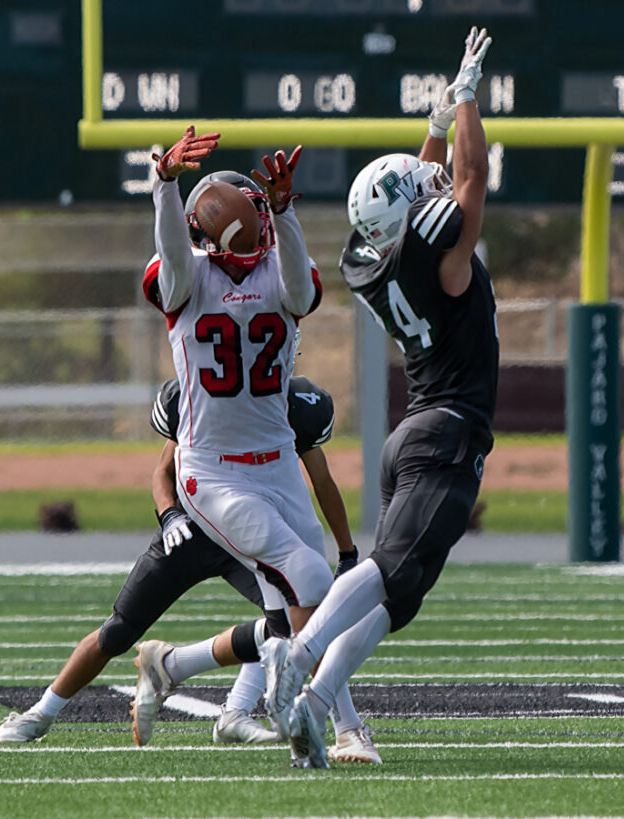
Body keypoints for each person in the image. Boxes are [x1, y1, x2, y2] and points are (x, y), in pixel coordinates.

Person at [259, 26, 499, 769]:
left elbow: (415, 187)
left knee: (399, 599)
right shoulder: (441, 257)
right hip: (446, 433)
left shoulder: (374, 260)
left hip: (416, 433)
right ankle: (297, 657)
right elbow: (472, 177)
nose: (431, 187)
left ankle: (319, 706)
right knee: (388, 570)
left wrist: (429, 131)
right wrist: (462, 102)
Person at [128, 131, 375, 765]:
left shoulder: (280, 270)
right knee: (315, 579)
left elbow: (300, 291)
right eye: (259, 210)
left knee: (289, 615)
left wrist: (289, 212)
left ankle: (175, 667)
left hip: (277, 465)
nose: (260, 217)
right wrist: (165, 187)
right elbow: (171, 258)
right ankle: (318, 721)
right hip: (214, 476)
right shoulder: (185, 278)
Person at [0, 374, 361, 746]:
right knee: (119, 630)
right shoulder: (198, 391)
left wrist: (347, 551)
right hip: (193, 526)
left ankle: (232, 706)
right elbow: (164, 471)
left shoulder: (295, 402)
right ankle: (40, 712)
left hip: (251, 529)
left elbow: (323, 481)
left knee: (292, 622)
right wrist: (170, 514)